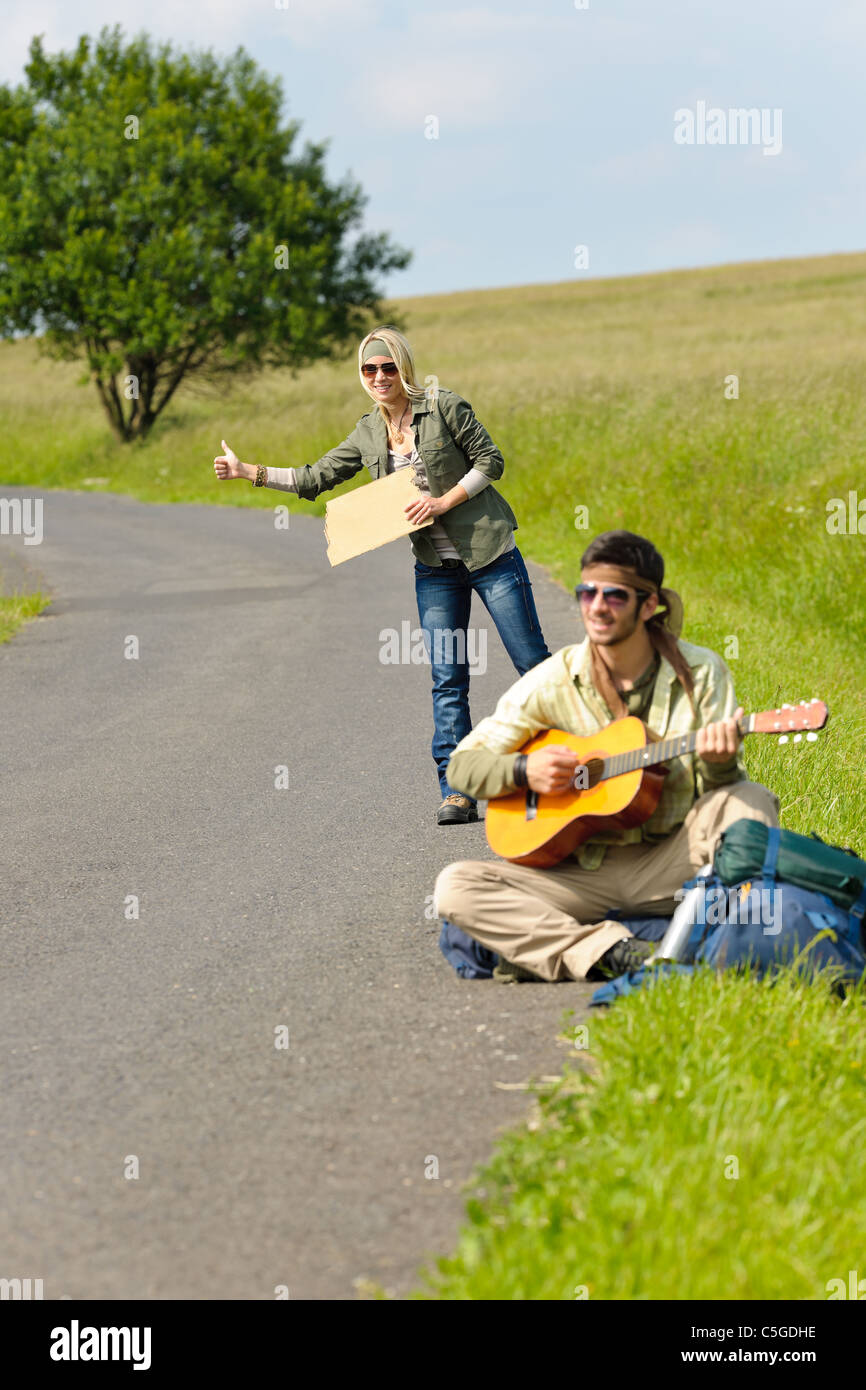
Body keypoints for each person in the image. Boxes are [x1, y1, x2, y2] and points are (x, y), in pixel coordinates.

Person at [212, 325, 551, 825]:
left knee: (534, 666)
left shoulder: (444, 407)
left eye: (387, 366)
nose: (378, 376)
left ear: (403, 367)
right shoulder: (368, 431)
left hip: (489, 553)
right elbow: (314, 478)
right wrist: (250, 472)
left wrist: (443, 501)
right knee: (447, 678)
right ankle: (457, 789)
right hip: (436, 570)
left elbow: (490, 461)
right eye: (369, 369)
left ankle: (576, 765)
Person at [433, 530, 780, 982]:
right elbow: (462, 767)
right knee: (456, 889)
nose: (597, 607)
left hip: (671, 864)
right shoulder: (554, 678)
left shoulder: (701, 672)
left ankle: (734, 940)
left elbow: (719, 794)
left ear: (649, 604)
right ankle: (616, 952)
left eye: (614, 596)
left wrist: (720, 761)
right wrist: (524, 769)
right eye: (587, 593)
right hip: (577, 873)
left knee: (750, 799)